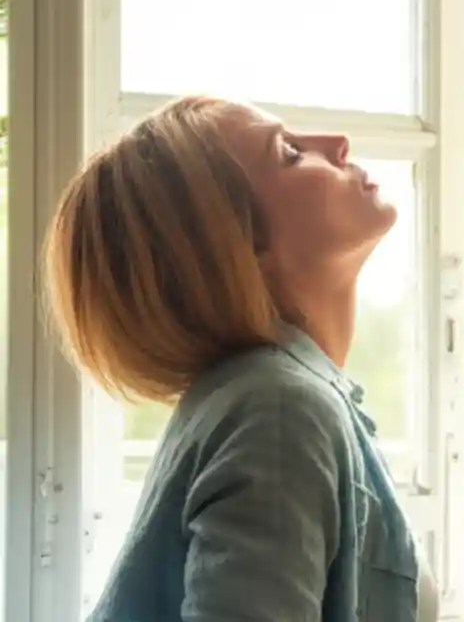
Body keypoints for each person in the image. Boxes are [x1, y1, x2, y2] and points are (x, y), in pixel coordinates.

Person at [43, 96, 436, 621]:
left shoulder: (261, 397)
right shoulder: (279, 412)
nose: (337, 145)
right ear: (236, 240)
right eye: (290, 153)